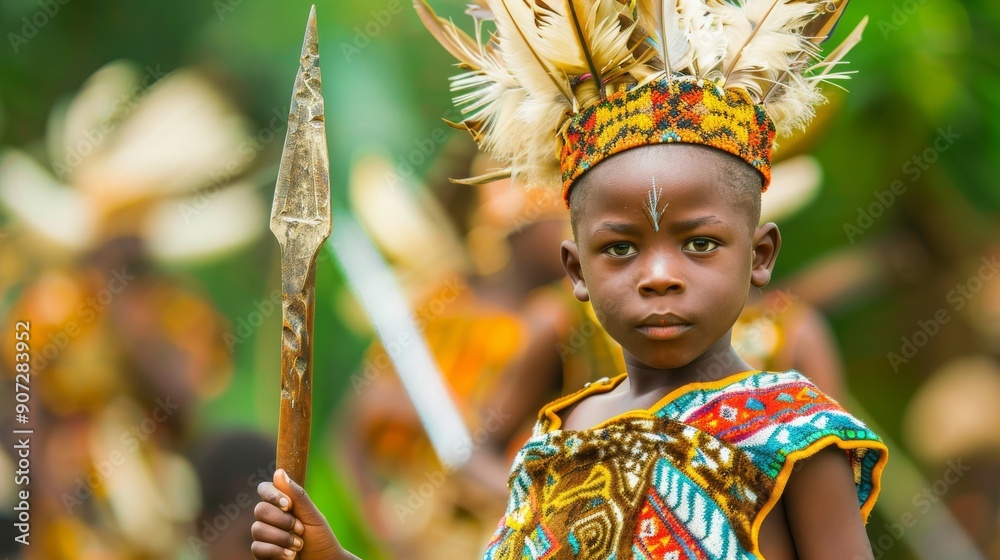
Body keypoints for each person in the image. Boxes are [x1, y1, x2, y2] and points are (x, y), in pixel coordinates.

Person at [251, 1, 888, 558]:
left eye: (699, 244)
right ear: (575, 271)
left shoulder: (797, 435)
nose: (660, 276)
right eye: (620, 249)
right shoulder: (556, 441)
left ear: (760, 256)